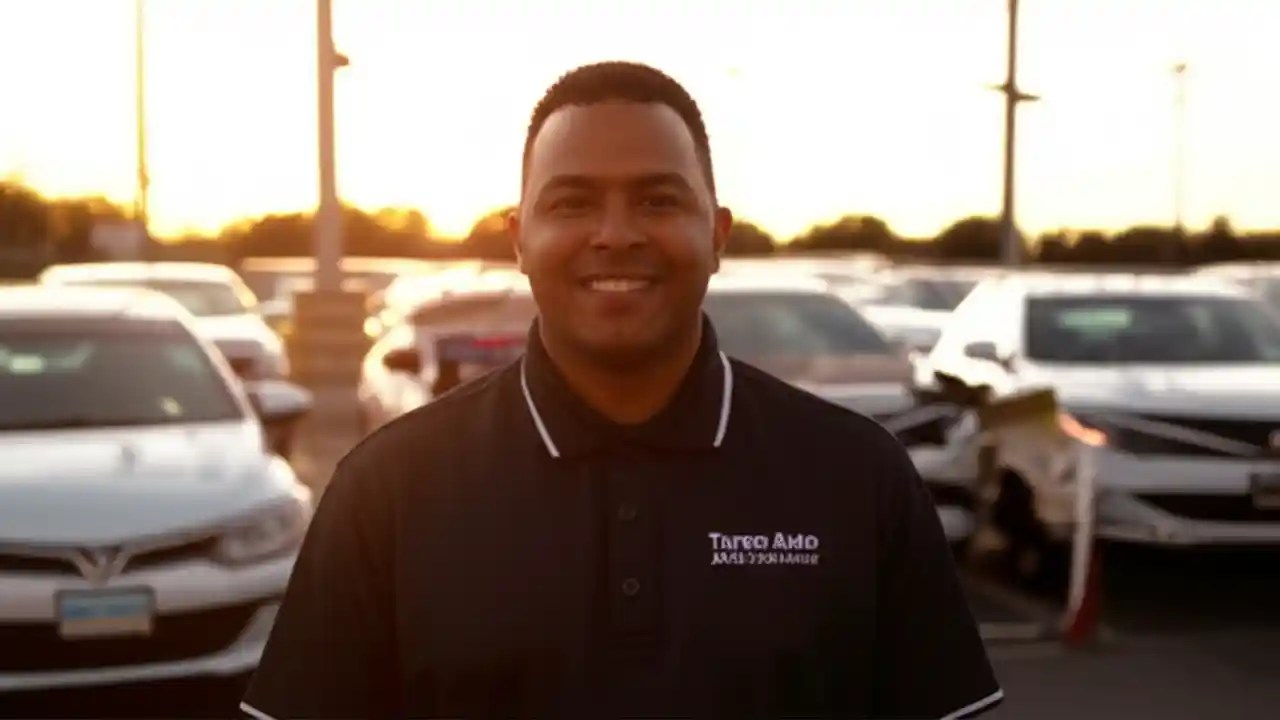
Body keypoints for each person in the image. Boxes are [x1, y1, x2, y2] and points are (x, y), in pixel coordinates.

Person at [241, 60, 1002, 719]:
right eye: (572, 202)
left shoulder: (856, 476)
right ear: (519, 240)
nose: (616, 234)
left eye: (658, 200)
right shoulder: (387, 491)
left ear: (717, 236)